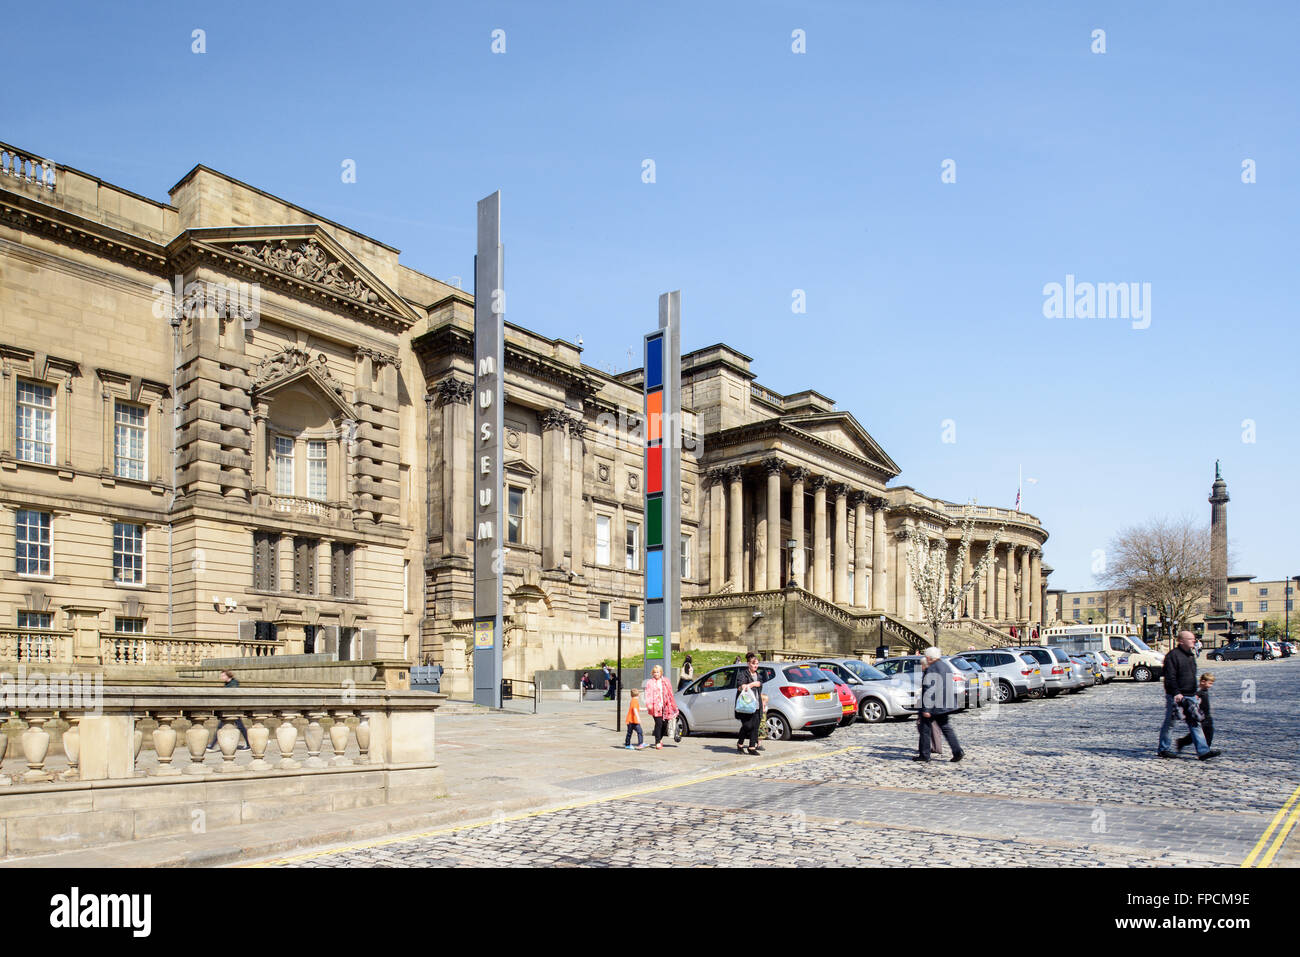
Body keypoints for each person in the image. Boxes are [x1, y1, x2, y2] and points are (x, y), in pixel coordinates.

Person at [1158, 631, 1219, 761]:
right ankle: (1163, 749)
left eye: (1194, 638)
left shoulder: (1190, 655)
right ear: (1181, 641)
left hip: (1190, 695)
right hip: (1176, 695)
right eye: (1190, 639)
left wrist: (1195, 692)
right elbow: (1170, 677)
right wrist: (1176, 692)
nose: (1194, 641)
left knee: (1195, 722)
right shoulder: (1172, 656)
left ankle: (1203, 752)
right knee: (1170, 723)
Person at [914, 647, 964, 763]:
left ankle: (925, 755)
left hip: (933, 705)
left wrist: (926, 708)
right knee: (946, 728)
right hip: (945, 703)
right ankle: (957, 751)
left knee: (925, 729)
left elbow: (929, 689)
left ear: (929, 658)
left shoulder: (931, 669)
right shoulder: (945, 666)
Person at [208, 670, 250, 751]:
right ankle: (212, 745)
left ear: (228, 676)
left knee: (240, 727)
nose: (221, 677)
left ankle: (212, 745)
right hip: (228, 709)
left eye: (223, 676)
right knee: (223, 727)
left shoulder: (233, 684)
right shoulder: (227, 684)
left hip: (233, 709)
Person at [1176, 671, 1216, 752]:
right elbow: (1193, 702)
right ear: (1203, 682)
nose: (1211, 686)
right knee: (1202, 733)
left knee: (1207, 732)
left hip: (1207, 715)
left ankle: (1183, 742)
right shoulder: (1198, 692)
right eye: (1210, 683)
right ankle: (1205, 749)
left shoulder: (1204, 691)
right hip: (1201, 716)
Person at [642, 665, 679, 750]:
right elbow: (648, 694)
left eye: (658, 672)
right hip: (656, 707)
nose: (656, 674)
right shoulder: (650, 682)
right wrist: (649, 704)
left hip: (666, 706)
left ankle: (660, 738)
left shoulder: (666, 681)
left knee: (665, 724)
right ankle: (657, 742)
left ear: (661, 672)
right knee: (658, 723)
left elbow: (670, 693)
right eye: (654, 672)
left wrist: (673, 705)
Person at [734, 653, 764, 755]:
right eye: (753, 664)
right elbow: (740, 686)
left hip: (756, 704)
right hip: (745, 705)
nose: (755, 666)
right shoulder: (743, 674)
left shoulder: (758, 675)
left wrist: (755, 684)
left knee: (755, 726)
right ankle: (740, 744)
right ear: (748, 664)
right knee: (747, 726)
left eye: (757, 664)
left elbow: (760, 685)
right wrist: (751, 684)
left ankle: (751, 747)